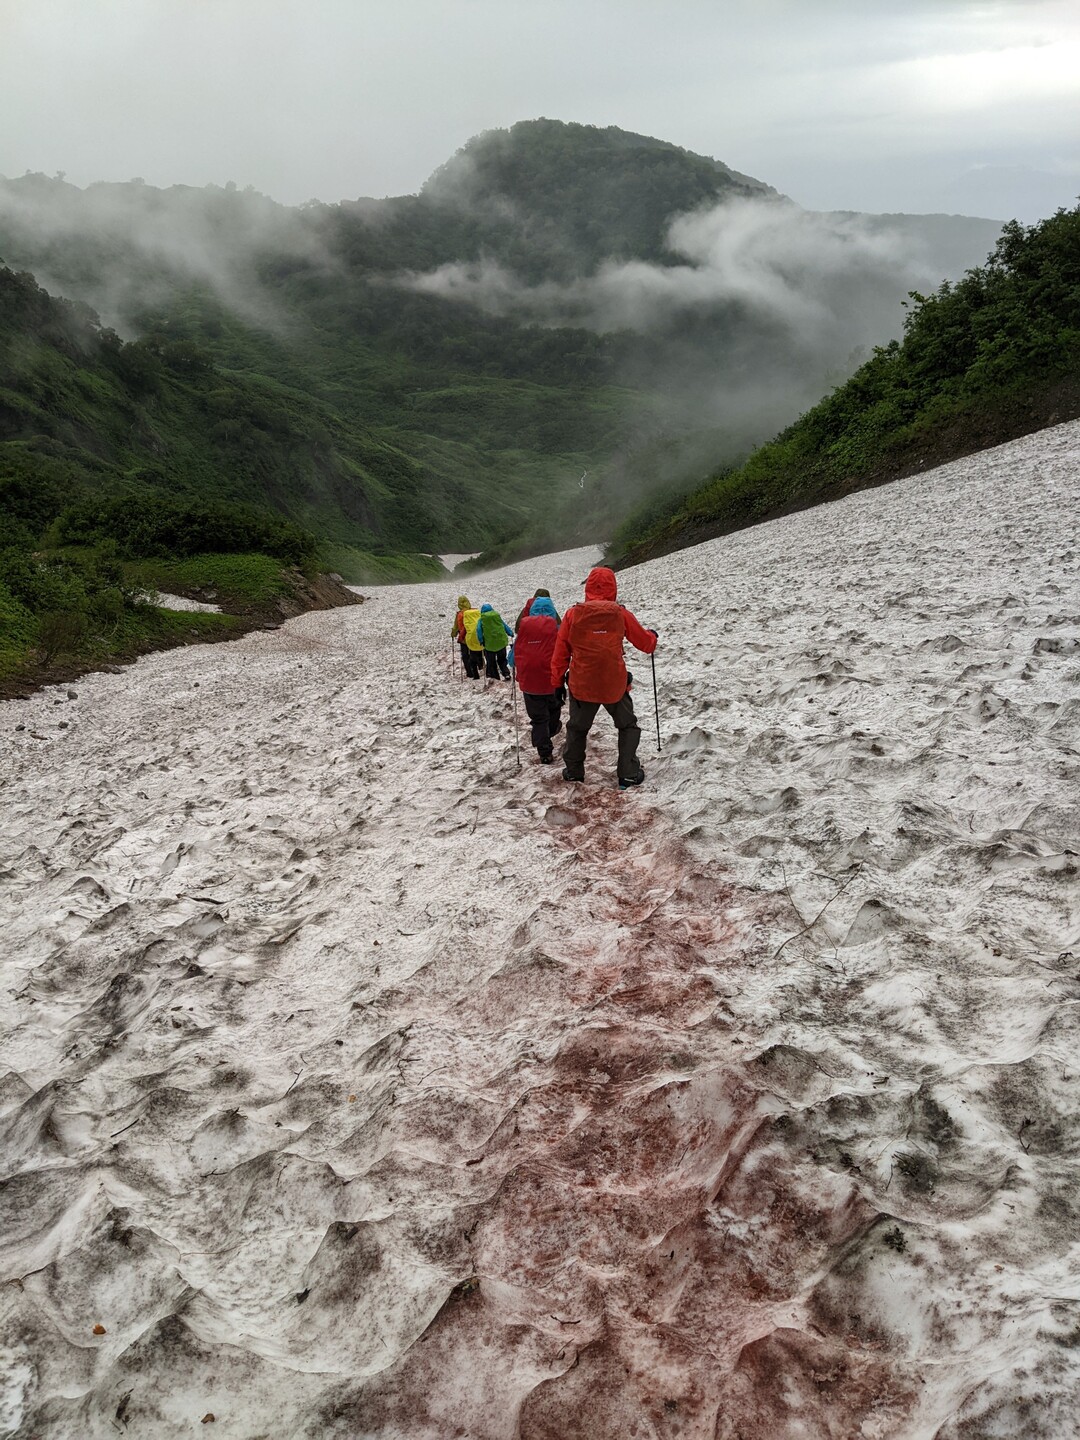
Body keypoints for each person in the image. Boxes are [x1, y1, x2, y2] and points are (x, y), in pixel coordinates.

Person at [550, 566, 657, 789]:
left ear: (588, 587)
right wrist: (652, 637)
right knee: (628, 725)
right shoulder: (620, 613)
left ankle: (574, 772)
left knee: (577, 728)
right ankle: (628, 773)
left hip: (582, 683)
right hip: (614, 684)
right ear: (613, 587)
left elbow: (561, 651)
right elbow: (645, 644)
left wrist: (557, 682)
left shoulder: (572, 614)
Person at [512, 596, 564, 763]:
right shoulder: (557, 629)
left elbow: (511, 659)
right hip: (552, 680)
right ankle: (552, 729)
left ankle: (545, 752)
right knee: (554, 708)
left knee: (538, 718)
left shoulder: (524, 629)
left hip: (529, 684)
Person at [476, 603, 513, 681]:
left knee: (491, 662)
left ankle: (495, 677)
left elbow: (479, 630)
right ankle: (506, 673)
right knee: (502, 660)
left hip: (490, 645)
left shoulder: (482, 619)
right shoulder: (497, 616)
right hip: (501, 642)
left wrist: (481, 640)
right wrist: (510, 633)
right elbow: (504, 625)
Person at [451, 595, 482, 679]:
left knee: (465, 655)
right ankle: (481, 667)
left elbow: (456, 626)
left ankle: (470, 672)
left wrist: (453, 634)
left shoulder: (459, 614)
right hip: (474, 637)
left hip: (464, 638)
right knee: (477, 652)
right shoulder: (474, 612)